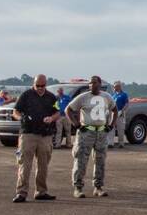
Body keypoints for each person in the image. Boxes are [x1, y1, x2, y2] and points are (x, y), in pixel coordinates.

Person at [66, 76, 117, 198]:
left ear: (99, 84)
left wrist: (111, 125)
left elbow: (115, 109)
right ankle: (78, 188)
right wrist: (76, 124)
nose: (91, 85)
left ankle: (98, 187)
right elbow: (68, 109)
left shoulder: (106, 97)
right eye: (90, 83)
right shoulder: (83, 97)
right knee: (81, 160)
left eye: (94, 83)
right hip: (86, 133)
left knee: (100, 161)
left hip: (101, 133)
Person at [12, 75, 60, 203]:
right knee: (25, 165)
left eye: (42, 86)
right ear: (33, 84)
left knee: (43, 165)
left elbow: (57, 112)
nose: (40, 88)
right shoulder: (26, 95)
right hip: (28, 134)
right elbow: (15, 111)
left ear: (46, 84)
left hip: (45, 135)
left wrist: (52, 118)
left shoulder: (51, 97)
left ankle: (41, 191)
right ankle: (21, 192)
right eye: (37, 86)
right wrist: (20, 118)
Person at [111, 81, 129, 148]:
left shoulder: (124, 94)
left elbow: (127, 104)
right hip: (113, 114)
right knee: (111, 129)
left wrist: (122, 111)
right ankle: (110, 143)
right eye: (114, 86)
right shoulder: (113, 95)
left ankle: (121, 143)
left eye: (116, 86)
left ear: (119, 87)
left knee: (120, 129)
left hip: (120, 114)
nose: (114, 88)